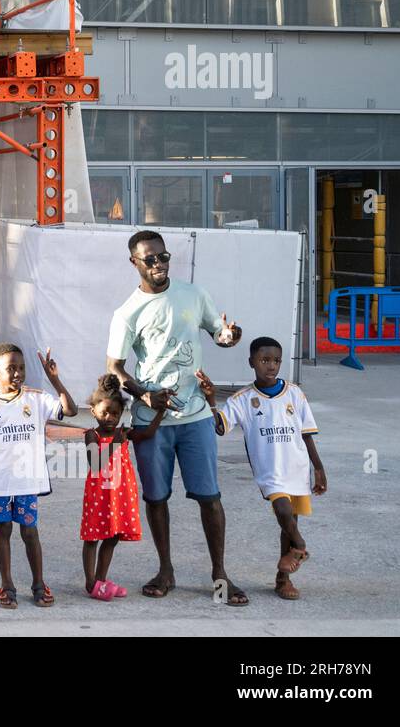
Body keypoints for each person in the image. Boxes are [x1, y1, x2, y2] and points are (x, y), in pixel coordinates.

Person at [106, 229, 246, 605]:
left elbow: (219, 332)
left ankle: (220, 573)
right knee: (156, 498)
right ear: (134, 262)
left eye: (163, 256)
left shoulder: (193, 295)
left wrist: (230, 335)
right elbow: (115, 367)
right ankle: (165, 569)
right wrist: (142, 393)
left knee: (210, 497)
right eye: (149, 258)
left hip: (195, 415)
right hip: (151, 421)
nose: (158, 264)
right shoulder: (127, 312)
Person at [201, 338, 328, 601]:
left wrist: (318, 467)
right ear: (252, 362)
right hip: (270, 472)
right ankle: (301, 546)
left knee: (288, 523)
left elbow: (306, 434)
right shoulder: (243, 399)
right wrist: (212, 400)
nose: (271, 366)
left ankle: (283, 580)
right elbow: (221, 426)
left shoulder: (294, 393)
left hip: (297, 467)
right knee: (282, 511)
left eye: (276, 360)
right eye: (264, 360)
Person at [0, 343, 77, 609]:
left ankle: (39, 584)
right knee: (2, 530)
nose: (17, 373)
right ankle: (7, 585)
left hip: (27, 481)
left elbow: (70, 410)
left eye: (21, 368)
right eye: (10, 368)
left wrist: (55, 380)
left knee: (30, 531)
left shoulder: (37, 399)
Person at [81, 374, 168, 601]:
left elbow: (147, 433)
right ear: (93, 412)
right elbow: (96, 463)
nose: (110, 418)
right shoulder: (93, 435)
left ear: (122, 415)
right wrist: (116, 445)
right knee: (92, 537)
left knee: (112, 536)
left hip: (119, 493)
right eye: (104, 413)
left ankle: (101, 580)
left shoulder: (123, 433)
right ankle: (91, 584)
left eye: (115, 414)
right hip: (99, 494)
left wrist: (161, 412)